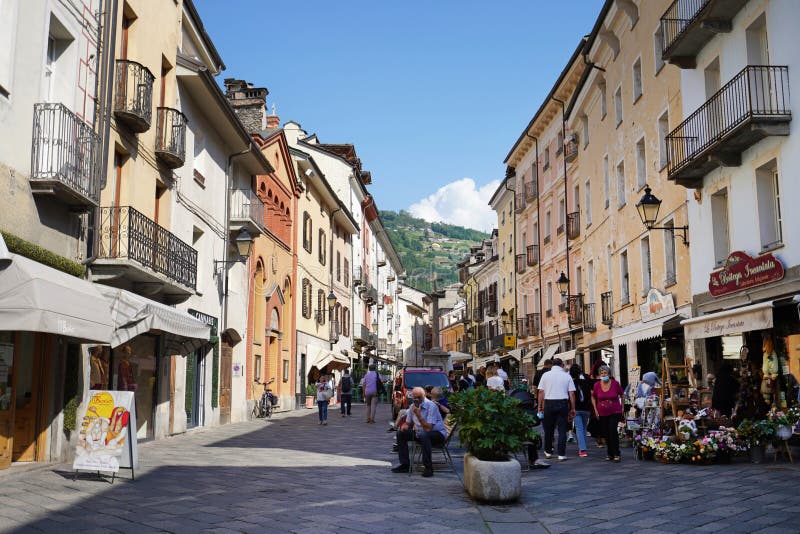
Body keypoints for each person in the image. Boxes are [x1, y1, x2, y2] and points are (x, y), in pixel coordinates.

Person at [391, 387, 447, 477]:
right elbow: (408, 422)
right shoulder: (413, 406)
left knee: (425, 435)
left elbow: (428, 428)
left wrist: (418, 415)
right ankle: (405, 464)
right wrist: (405, 426)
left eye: (419, 397)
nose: (417, 400)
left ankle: (428, 467)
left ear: (424, 396)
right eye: (415, 398)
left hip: (436, 434)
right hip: (420, 433)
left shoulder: (431, 406)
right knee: (400, 434)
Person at [536, 358, 576, 461]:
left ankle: (548, 451)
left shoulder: (545, 375)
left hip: (549, 403)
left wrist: (539, 406)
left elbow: (540, 392)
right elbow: (571, 393)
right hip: (562, 403)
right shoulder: (567, 376)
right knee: (562, 430)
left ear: (552, 365)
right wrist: (573, 408)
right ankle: (561, 454)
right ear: (562, 365)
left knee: (548, 429)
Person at [591, 365, 624, 462]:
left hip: (615, 411)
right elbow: (593, 397)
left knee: (612, 431)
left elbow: (622, 395)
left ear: (609, 374)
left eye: (605, 373)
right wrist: (595, 410)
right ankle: (610, 454)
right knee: (606, 433)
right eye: (601, 373)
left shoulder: (615, 383)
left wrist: (622, 408)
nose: (603, 375)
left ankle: (616, 453)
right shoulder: (597, 385)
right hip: (602, 412)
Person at [569, 364, 593, 458]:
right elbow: (590, 394)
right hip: (586, 408)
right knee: (583, 428)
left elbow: (571, 396)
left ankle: (582, 449)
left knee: (579, 428)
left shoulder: (571, 383)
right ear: (580, 373)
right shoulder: (586, 382)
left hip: (577, 408)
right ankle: (583, 446)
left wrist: (571, 408)